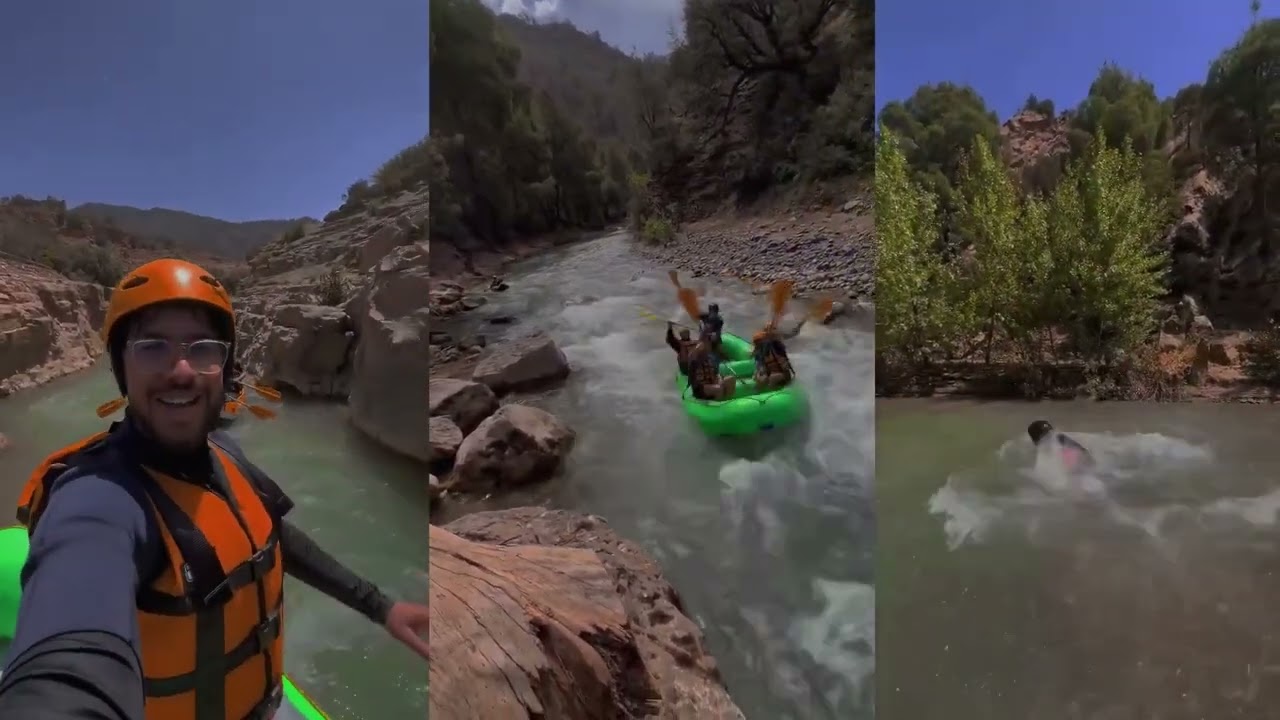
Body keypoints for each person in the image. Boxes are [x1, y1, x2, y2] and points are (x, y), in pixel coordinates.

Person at [0, 259, 430, 720]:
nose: (181, 371)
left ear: (223, 366)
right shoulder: (97, 496)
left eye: (203, 348)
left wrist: (379, 606)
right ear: (121, 367)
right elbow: (68, 659)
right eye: (152, 347)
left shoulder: (225, 454)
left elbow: (272, 536)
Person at [1027, 420, 1095, 472]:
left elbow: (1084, 454)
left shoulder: (1060, 439)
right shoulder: (1038, 458)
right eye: (1046, 436)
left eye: (1051, 433)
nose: (1051, 437)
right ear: (1037, 441)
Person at [751, 324, 794, 391]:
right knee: (759, 377)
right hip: (771, 373)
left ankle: (773, 393)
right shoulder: (761, 353)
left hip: (783, 374)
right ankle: (757, 392)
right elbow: (761, 366)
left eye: (759, 342)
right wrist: (760, 373)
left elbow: (776, 343)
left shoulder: (776, 347)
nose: (758, 345)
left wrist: (771, 336)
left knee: (772, 378)